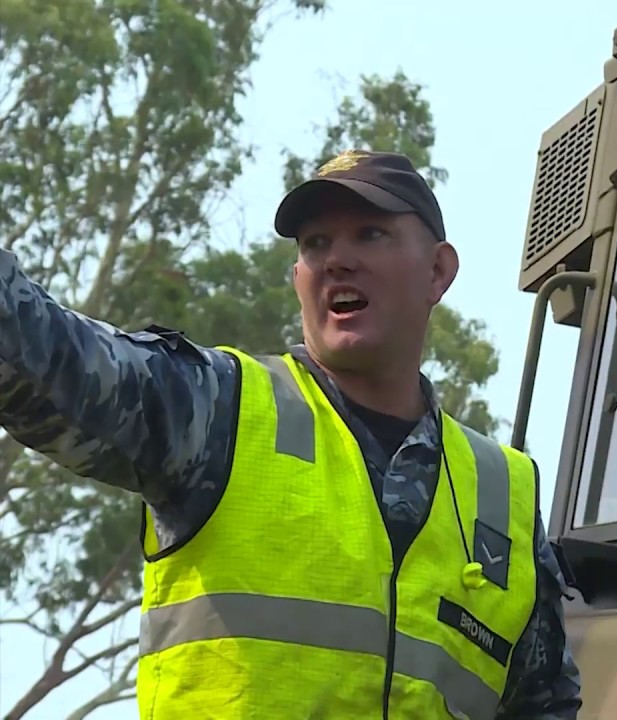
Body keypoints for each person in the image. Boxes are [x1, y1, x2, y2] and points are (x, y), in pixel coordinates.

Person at [0, 149, 581, 718]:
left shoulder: (504, 497)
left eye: (370, 235)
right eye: (316, 244)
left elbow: (548, 703)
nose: (337, 260)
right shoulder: (219, 410)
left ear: (438, 271)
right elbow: (46, 355)